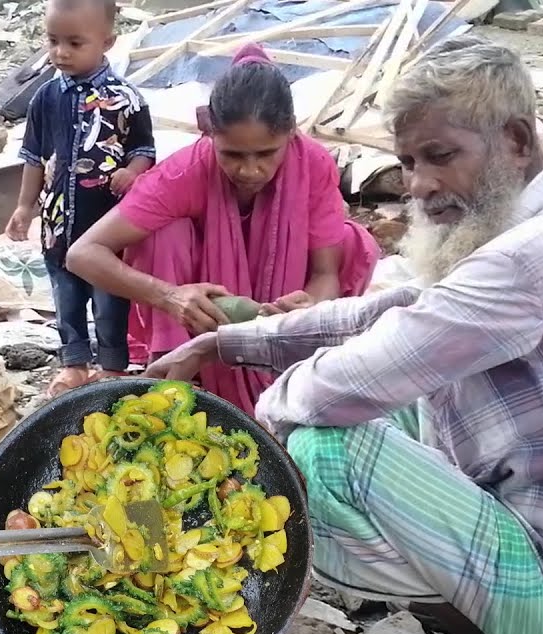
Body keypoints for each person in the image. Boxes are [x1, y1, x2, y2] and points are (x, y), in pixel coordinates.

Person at [146, 37, 543, 634]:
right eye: (407, 162)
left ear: (516, 141)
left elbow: (342, 384)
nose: (419, 184)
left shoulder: (526, 262)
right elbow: (390, 312)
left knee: (324, 451)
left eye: (440, 156)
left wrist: (242, 453)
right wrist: (228, 342)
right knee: (390, 414)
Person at [65, 43, 379, 416]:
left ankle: (288, 357)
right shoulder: (185, 172)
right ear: (210, 134)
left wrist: (309, 307)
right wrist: (169, 296)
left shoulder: (313, 164)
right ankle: (175, 365)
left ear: (291, 133)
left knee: (355, 242)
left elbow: (326, 273)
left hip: (278, 312)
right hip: (200, 311)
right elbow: (81, 253)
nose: (250, 171)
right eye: (232, 155)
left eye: (266, 154)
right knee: (164, 233)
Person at [5, 0, 155, 396]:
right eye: (53, 41)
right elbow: (34, 157)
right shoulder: (45, 98)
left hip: (107, 229)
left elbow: (144, 149)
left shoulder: (127, 98)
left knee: (109, 301)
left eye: (74, 42)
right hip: (58, 224)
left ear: (107, 42)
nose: (60, 52)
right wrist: (24, 206)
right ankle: (73, 364)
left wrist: (132, 171)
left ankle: (111, 366)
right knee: (65, 298)